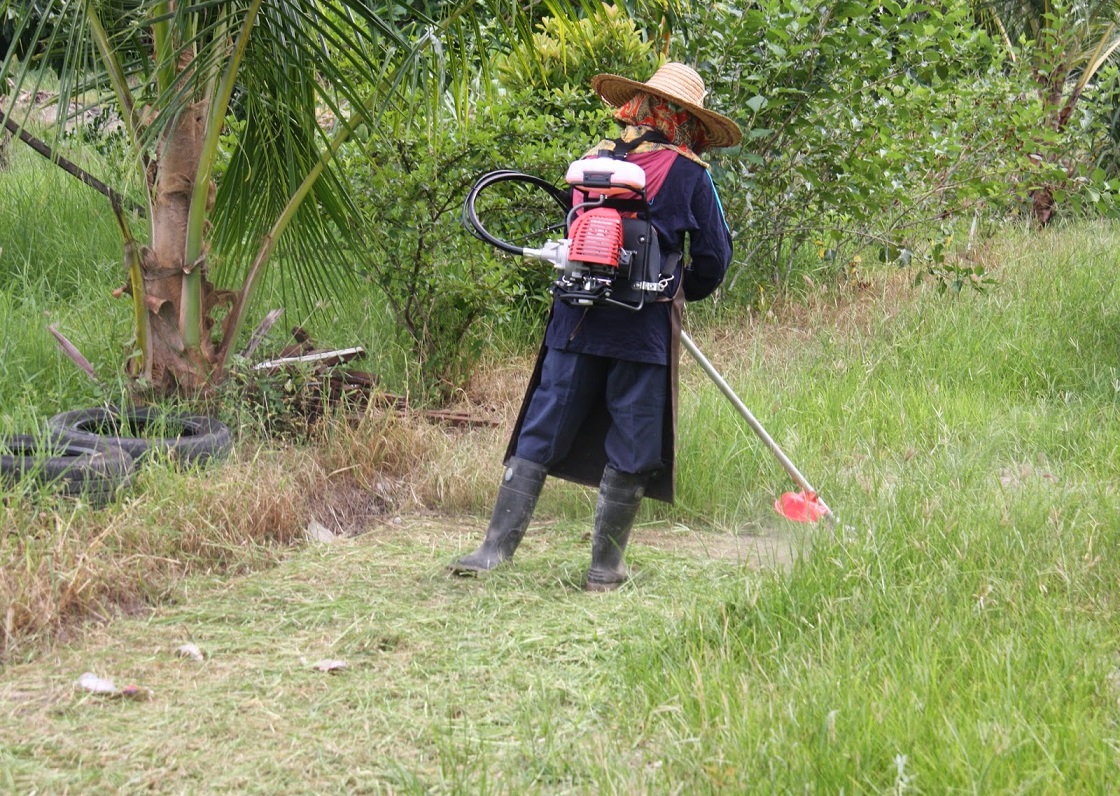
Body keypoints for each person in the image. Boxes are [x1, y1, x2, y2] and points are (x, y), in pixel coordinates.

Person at [451, 62, 741, 591]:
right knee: (633, 437)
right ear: (684, 121)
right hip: (642, 329)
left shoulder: (591, 161)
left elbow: (572, 231)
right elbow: (716, 258)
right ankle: (604, 570)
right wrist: (681, 290)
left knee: (545, 423)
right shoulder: (693, 174)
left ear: (635, 110)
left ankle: (493, 550)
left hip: (575, 318)